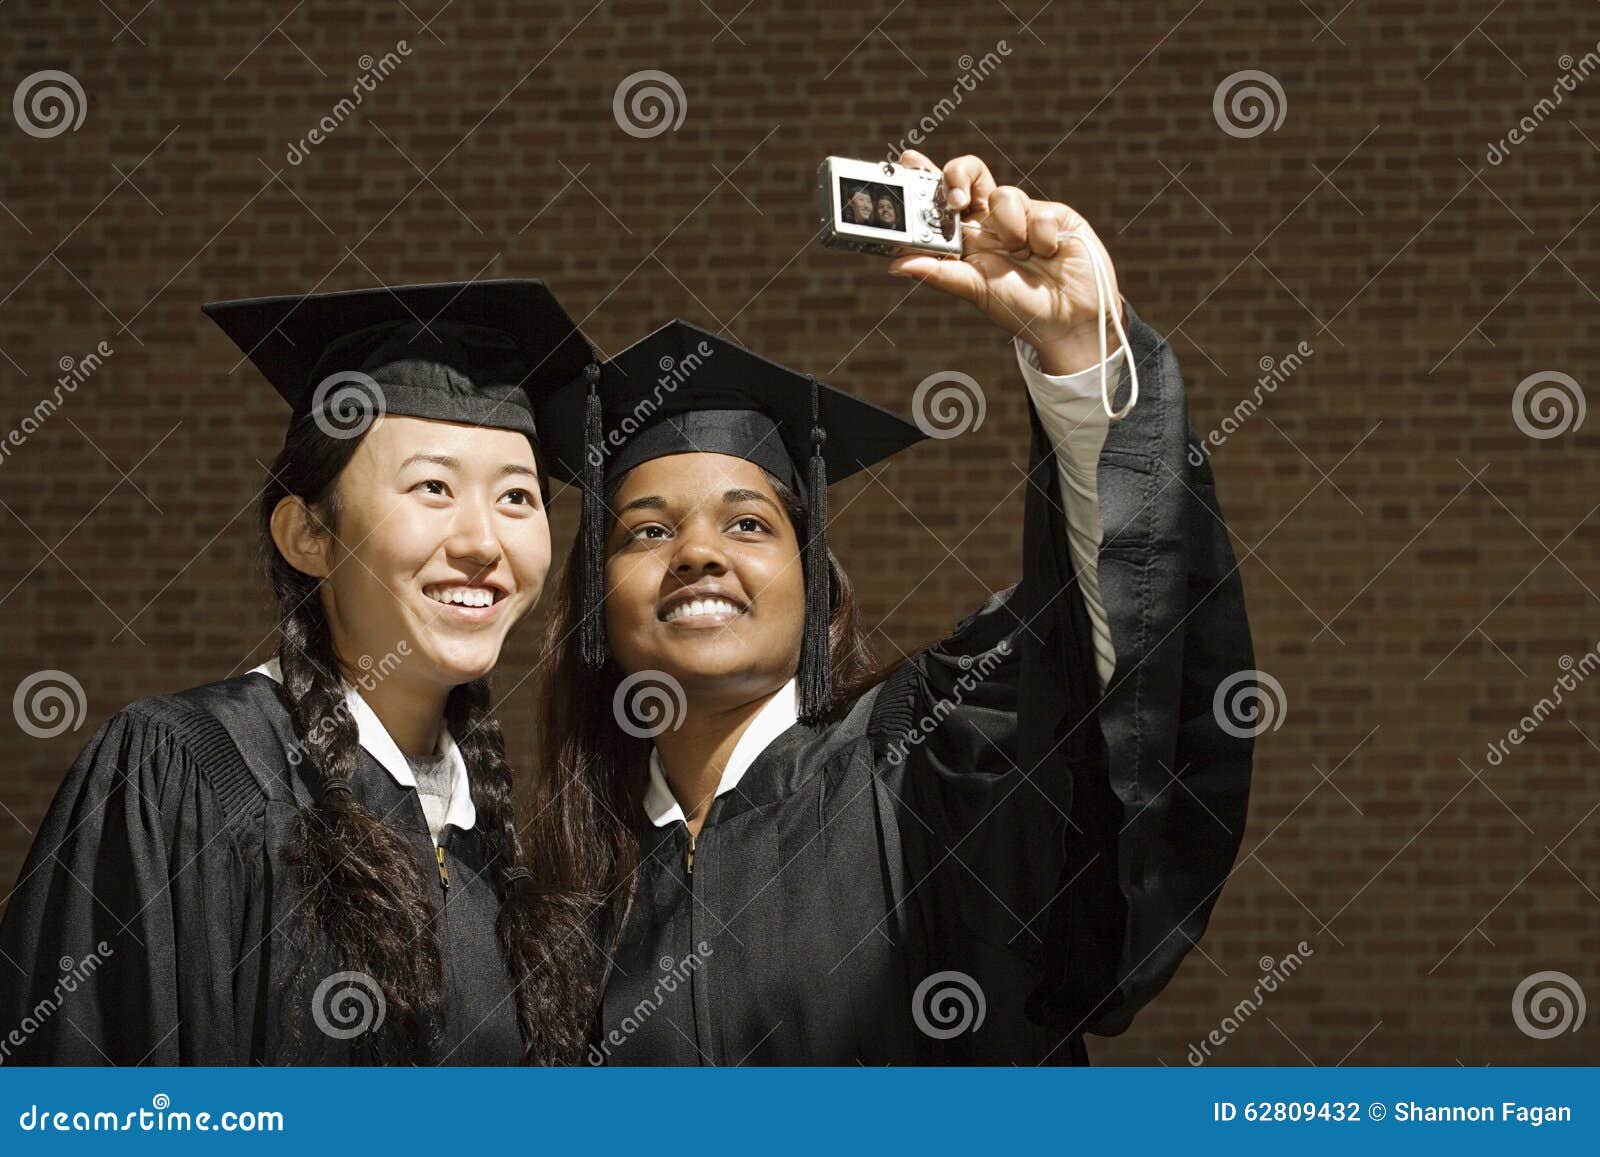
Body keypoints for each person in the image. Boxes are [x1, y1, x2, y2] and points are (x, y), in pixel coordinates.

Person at [520, 150, 1256, 1064]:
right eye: (644, 533)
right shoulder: (562, 900)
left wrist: (1079, 355)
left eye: (748, 523)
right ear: (595, 597)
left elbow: (1115, 667)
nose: (699, 553)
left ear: (813, 580)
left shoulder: (933, 767)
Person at [0, 279, 595, 1065]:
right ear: (307, 534)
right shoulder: (185, 775)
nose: (483, 539)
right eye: (433, 487)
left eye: (518, 497)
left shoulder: (498, 853)